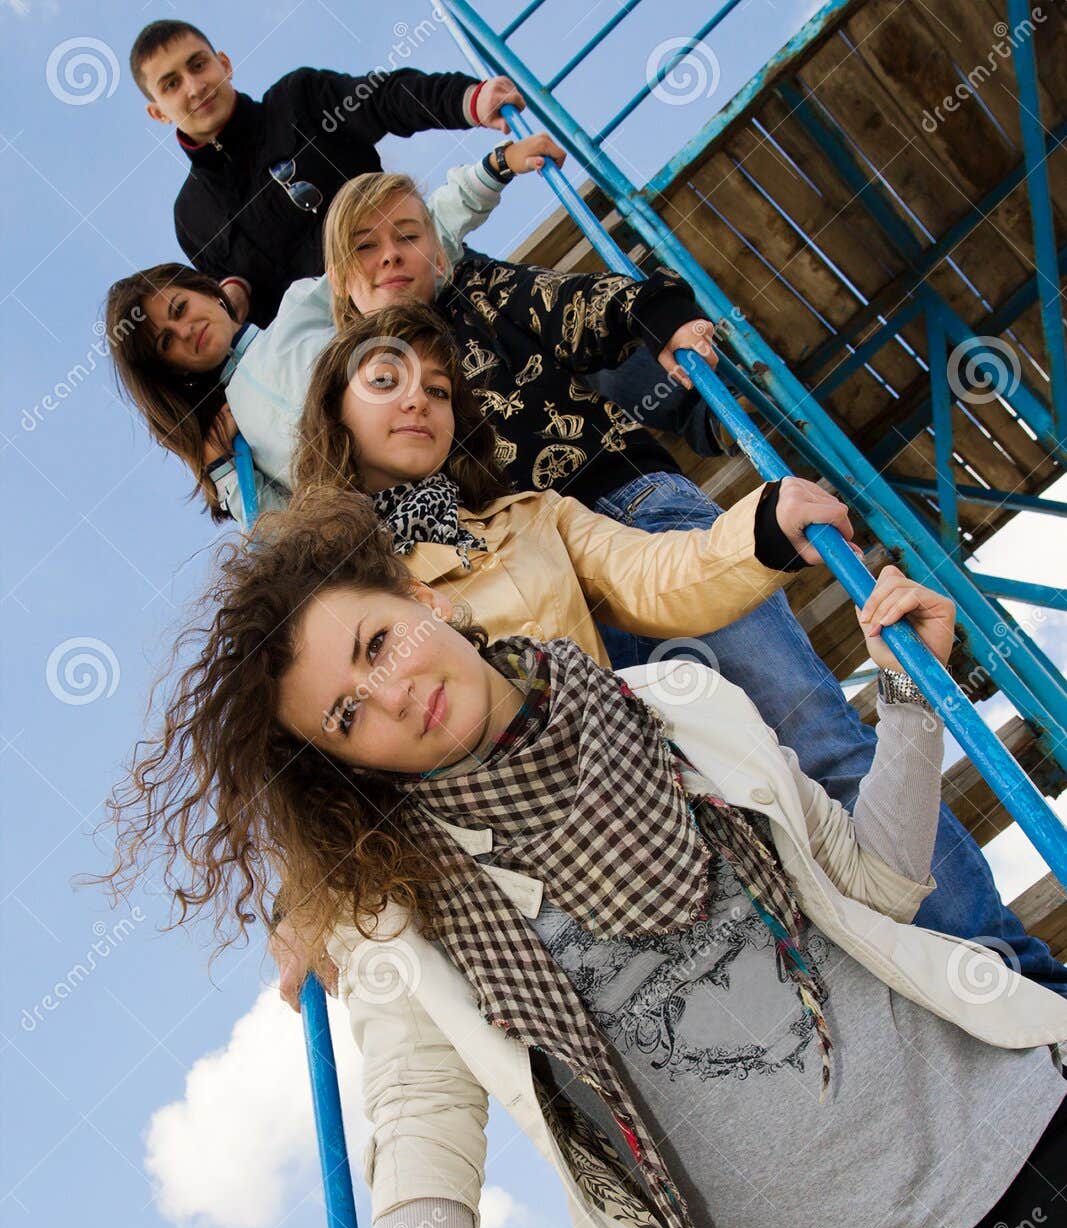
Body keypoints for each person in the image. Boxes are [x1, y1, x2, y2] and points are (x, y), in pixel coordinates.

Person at [99, 487, 1067, 1228]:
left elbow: (871, 885)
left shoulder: (670, 700)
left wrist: (905, 701)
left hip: (1007, 1157)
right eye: (347, 716)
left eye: (377, 642)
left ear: (422, 596)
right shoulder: (396, 914)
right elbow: (421, 1145)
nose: (393, 694)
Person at [320, 169, 1067, 998]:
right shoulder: (365, 554)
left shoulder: (483, 304)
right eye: (366, 246)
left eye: (408, 235)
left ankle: (1017, 978)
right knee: (727, 830)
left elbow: (596, 307)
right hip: (561, 618)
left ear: (437, 245)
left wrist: (662, 319)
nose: (392, 255)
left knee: (812, 744)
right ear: (341, 286)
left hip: (621, 510)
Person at [104, 143, 563, 523]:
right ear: (170, 369)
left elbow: (400, 244)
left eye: (181, 308)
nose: (187, 330)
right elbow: (280, 533)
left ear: (207, 290)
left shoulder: (299, 307)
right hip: (409, 525)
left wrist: (491, 170)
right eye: (166, 342)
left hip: (456, 446)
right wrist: (221, 468)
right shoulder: (234, 435)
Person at [129, 16, 525, 326]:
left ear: (224, 64)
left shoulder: (298, 99)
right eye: (171, 84)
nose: (194, 87)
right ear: (158, 112)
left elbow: (385, 99)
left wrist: (467, 99)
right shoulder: (193, 217)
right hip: (370, 361)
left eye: (198, 65)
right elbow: (253, 323)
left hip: (443, 280)